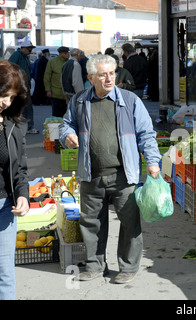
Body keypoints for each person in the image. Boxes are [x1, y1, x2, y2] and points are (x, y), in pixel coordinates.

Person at [59, 54, 161, 284]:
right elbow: (66, 124)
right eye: (103, 74)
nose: (109, 78)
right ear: (90, 77)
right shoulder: (79, 100)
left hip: (124, 174)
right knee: (91, 223)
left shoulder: (130, 100)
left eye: (112, 73)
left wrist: (153, 161)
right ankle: (95, 266)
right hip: (91, 173)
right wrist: (67, 135)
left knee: (129, 222)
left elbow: (146, 133)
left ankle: (128, 267)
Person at [0, 61, 30, 300]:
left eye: (11, 97)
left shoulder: (12, 125)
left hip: (4, 208)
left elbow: (20, 169)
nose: (5, 103)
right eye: (2, 95)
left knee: (5, 274)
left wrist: (22, 196)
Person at [8, 40, 39, 134]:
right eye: (29, 50)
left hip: (24, 85)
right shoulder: (17, 55)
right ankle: (25, 127)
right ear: (24, 48)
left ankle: (26, 127)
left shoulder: (24, 57)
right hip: (20, 86)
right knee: (24, 106)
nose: (30, 52)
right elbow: (11, 69)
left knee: (25, 107)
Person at [44, 46, 69, 117]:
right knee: (56, 114)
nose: (68, 55)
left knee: (65, 115)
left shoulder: (69, 62)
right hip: (55, 93)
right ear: (61, 54)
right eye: (66, 53)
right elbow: (47, 77)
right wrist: (48, 90)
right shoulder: (52, 62)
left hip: (66, 94)